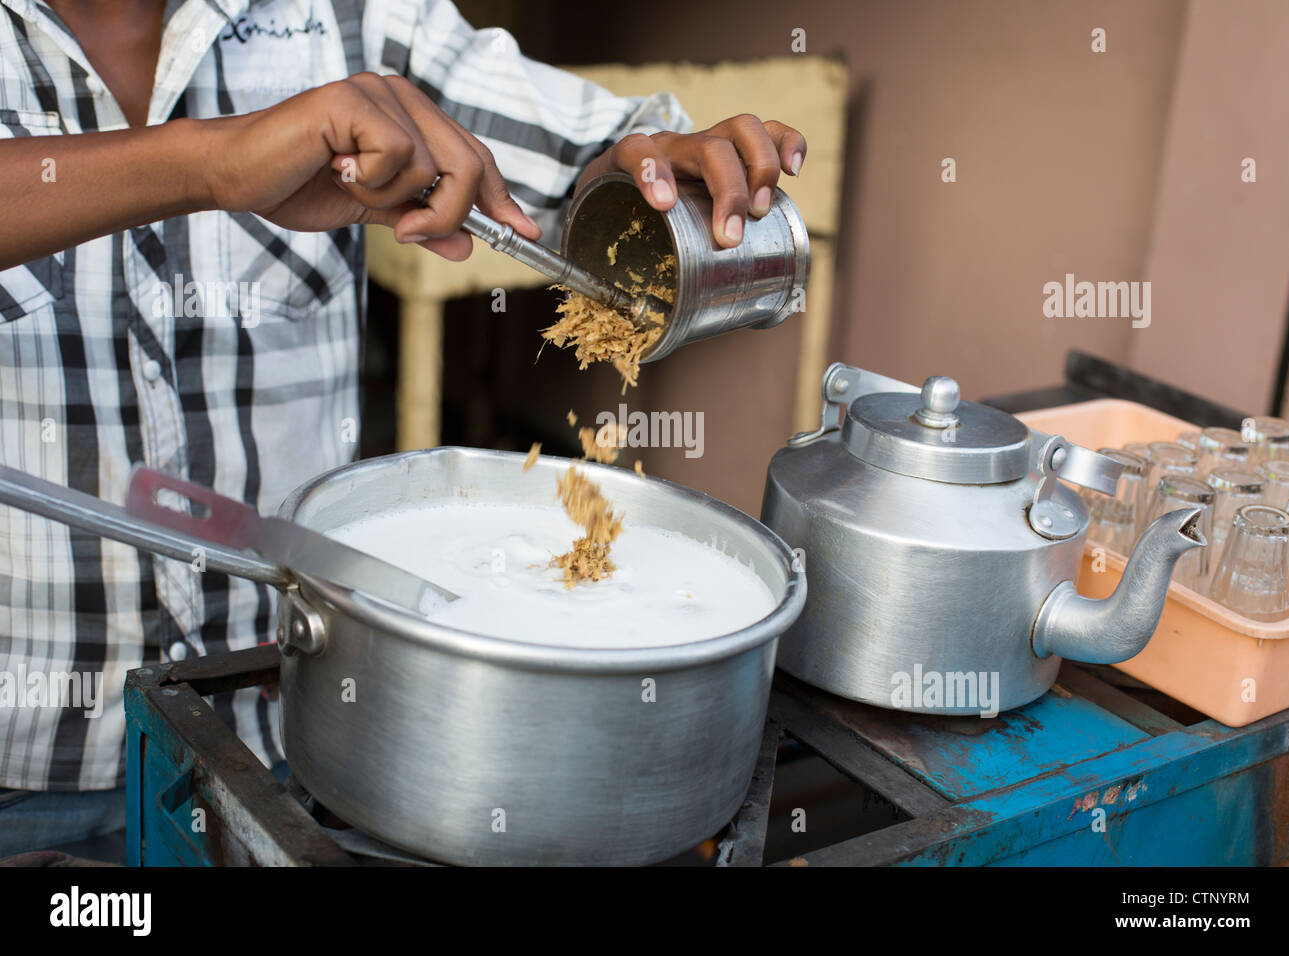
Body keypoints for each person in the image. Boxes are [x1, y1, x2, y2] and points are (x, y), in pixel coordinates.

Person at [0, 0, 806, 856]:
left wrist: (652, 178)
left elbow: (594, 155)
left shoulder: (341, 18)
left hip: (291, 738)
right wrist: (213, 161)